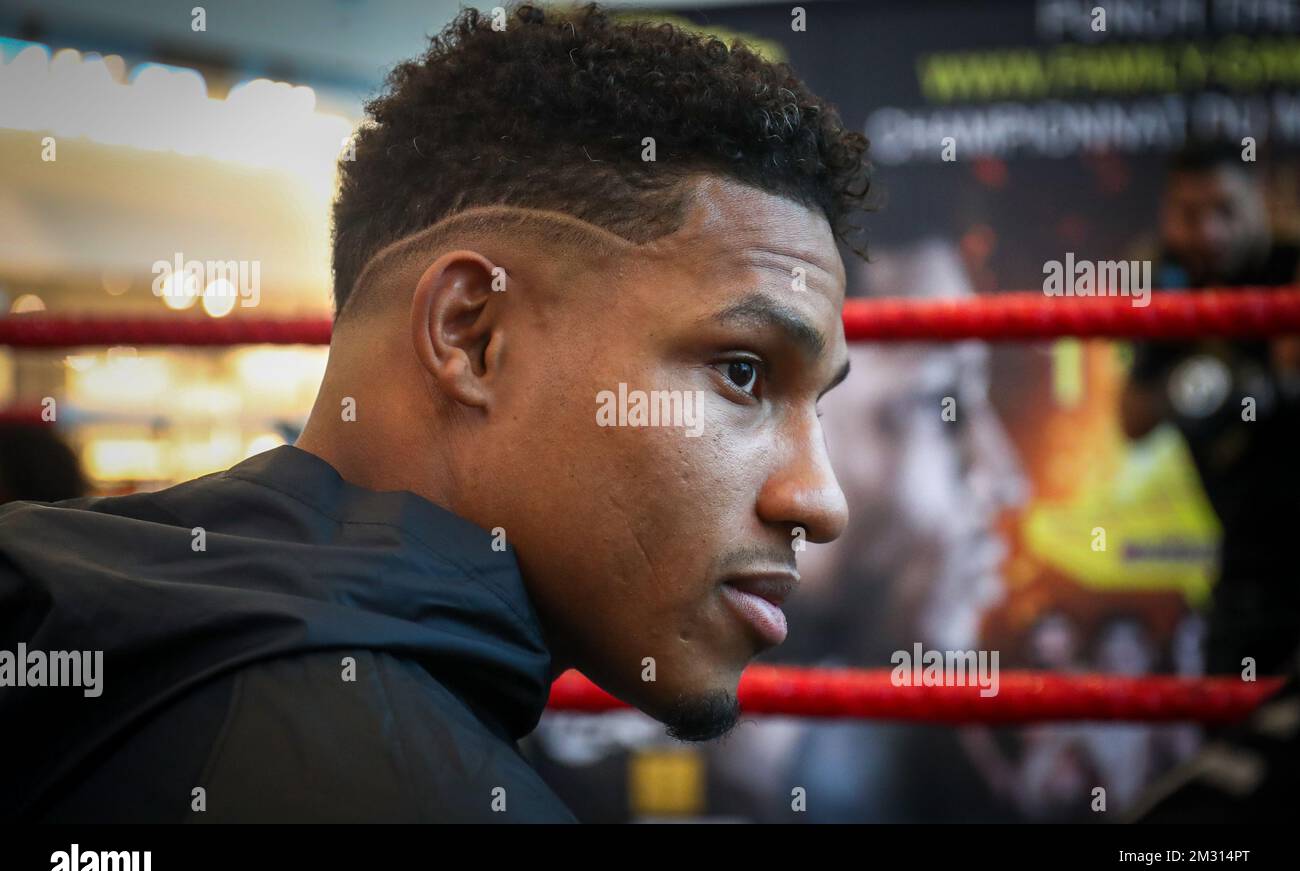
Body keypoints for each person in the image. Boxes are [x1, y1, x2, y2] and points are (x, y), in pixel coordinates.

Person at [0, 4, 870, 823]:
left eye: (819, 406)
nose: (820, 501)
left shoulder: (86, 609)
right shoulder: (409, 789)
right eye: (744, 372)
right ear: (472, 335)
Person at [1120, 145, 1300, 678]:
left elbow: (1289, 376)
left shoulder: (1287, 268)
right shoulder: (1170, 288)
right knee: (1232, 725)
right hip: (1245, 564)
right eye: (1190, 215)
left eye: (1226, 210)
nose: (1209, 232)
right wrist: (1193, 387)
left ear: (1259, 200)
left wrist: (1249, 384)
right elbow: (1132, 421)